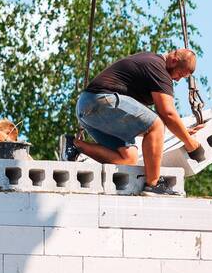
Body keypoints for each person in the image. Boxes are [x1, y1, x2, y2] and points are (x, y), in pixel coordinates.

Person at [63, 49, 203, 197]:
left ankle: (75, 145)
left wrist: (184, 132)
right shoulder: (158, 68)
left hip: (87, 109)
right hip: (101, 101)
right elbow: (167, 113)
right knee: (156, 125)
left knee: (128, 158)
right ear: (174, 61)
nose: (177, 80)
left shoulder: (151, 61)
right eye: (180, 75)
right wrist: (191, 144)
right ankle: (154, 184)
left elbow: (142, 122)